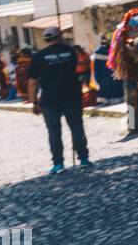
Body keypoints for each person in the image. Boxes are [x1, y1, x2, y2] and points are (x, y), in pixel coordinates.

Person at [28, 26, 91, 174]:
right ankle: (83, 159)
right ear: (60, 37)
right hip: (72, 96)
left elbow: (33, 81)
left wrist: (34, 102)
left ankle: (58, 164)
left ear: (45, 40)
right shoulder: (70, 52)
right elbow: (79, 70)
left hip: (49, 100)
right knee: (76, 128)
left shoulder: (38, 56)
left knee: (54, 132)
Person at [92, 36, 123, 103]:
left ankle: (107, 100)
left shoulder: (98, 52)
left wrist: (97, 79)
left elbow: (96, 68)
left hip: (104, 75)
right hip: (114, 73)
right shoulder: (115, 50)